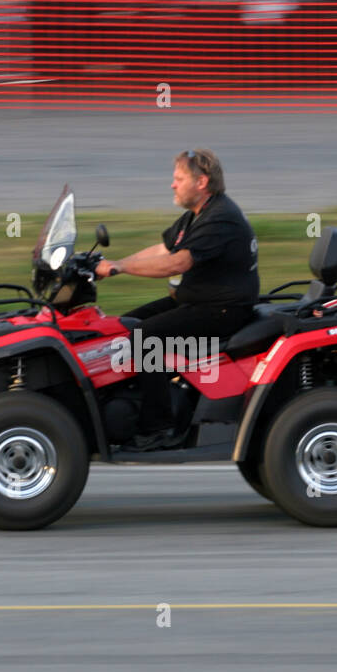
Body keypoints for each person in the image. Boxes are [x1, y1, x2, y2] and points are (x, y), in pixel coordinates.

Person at [95, 148, 259, 450]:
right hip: (197, 304)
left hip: (222, 312)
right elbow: (163, 250)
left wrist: (121, 267)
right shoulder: (197, 216)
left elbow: (177, 263)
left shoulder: (221, 219)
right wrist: (113, 266)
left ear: (201, 182)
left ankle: (157, 429)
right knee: (120, 327)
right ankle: (131, 400)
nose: (172, 184)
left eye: (178, 178)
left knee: (145, 338)